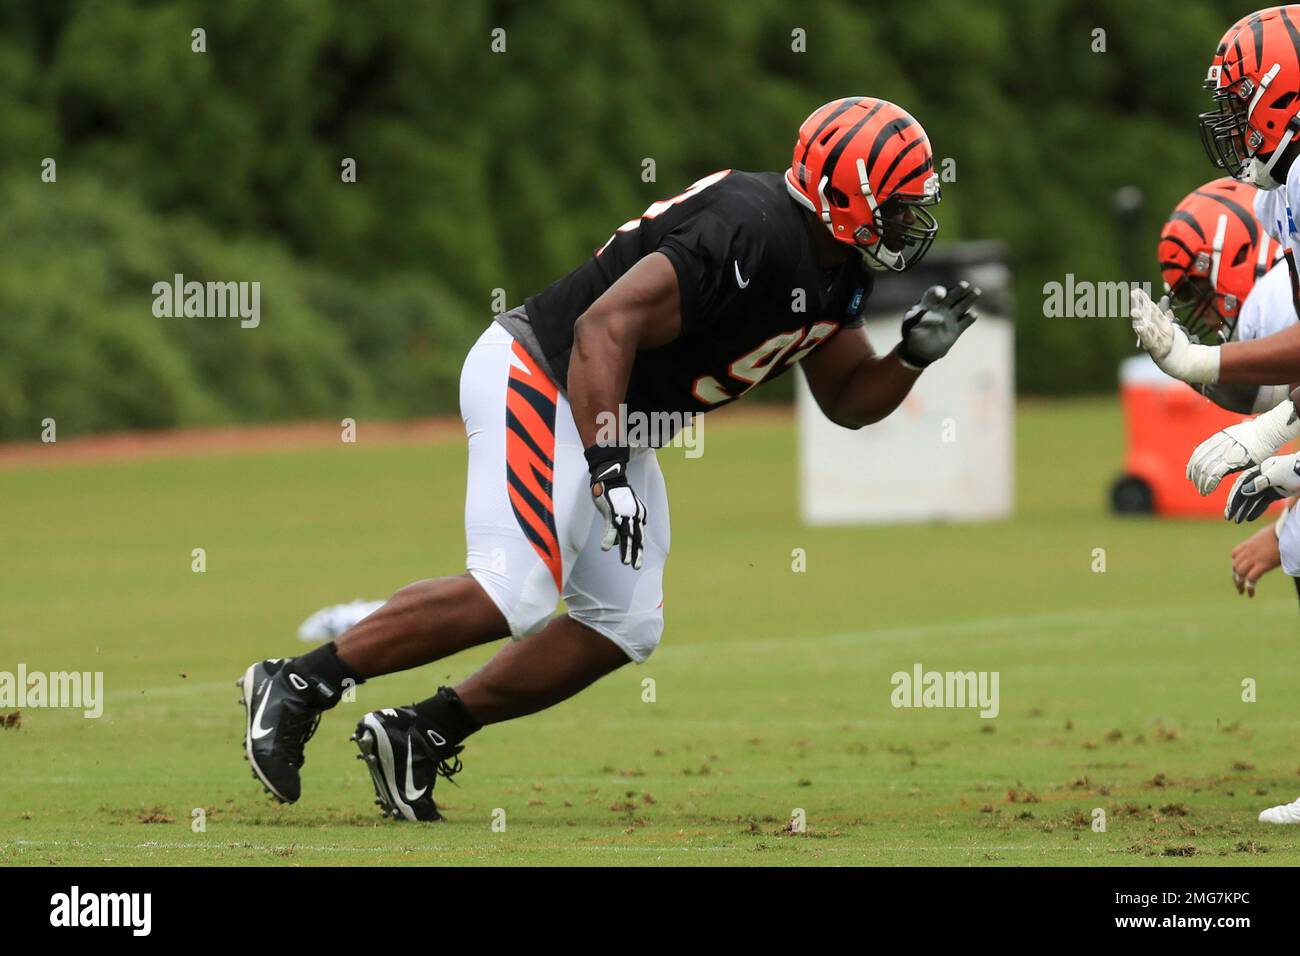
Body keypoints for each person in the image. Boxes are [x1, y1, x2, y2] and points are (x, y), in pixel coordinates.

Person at [237, 97, 981, 821]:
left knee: (625, 622)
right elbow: (604, 324)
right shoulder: (745, 228)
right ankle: (298, 683)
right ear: (838, 193)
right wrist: (606, 466)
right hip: (544, 374)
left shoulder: (841, 270)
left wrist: (911, 359)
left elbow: (848, 399)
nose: (906, 223)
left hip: (607, 416)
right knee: (514, 593)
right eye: (894, 204)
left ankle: (420, 734)